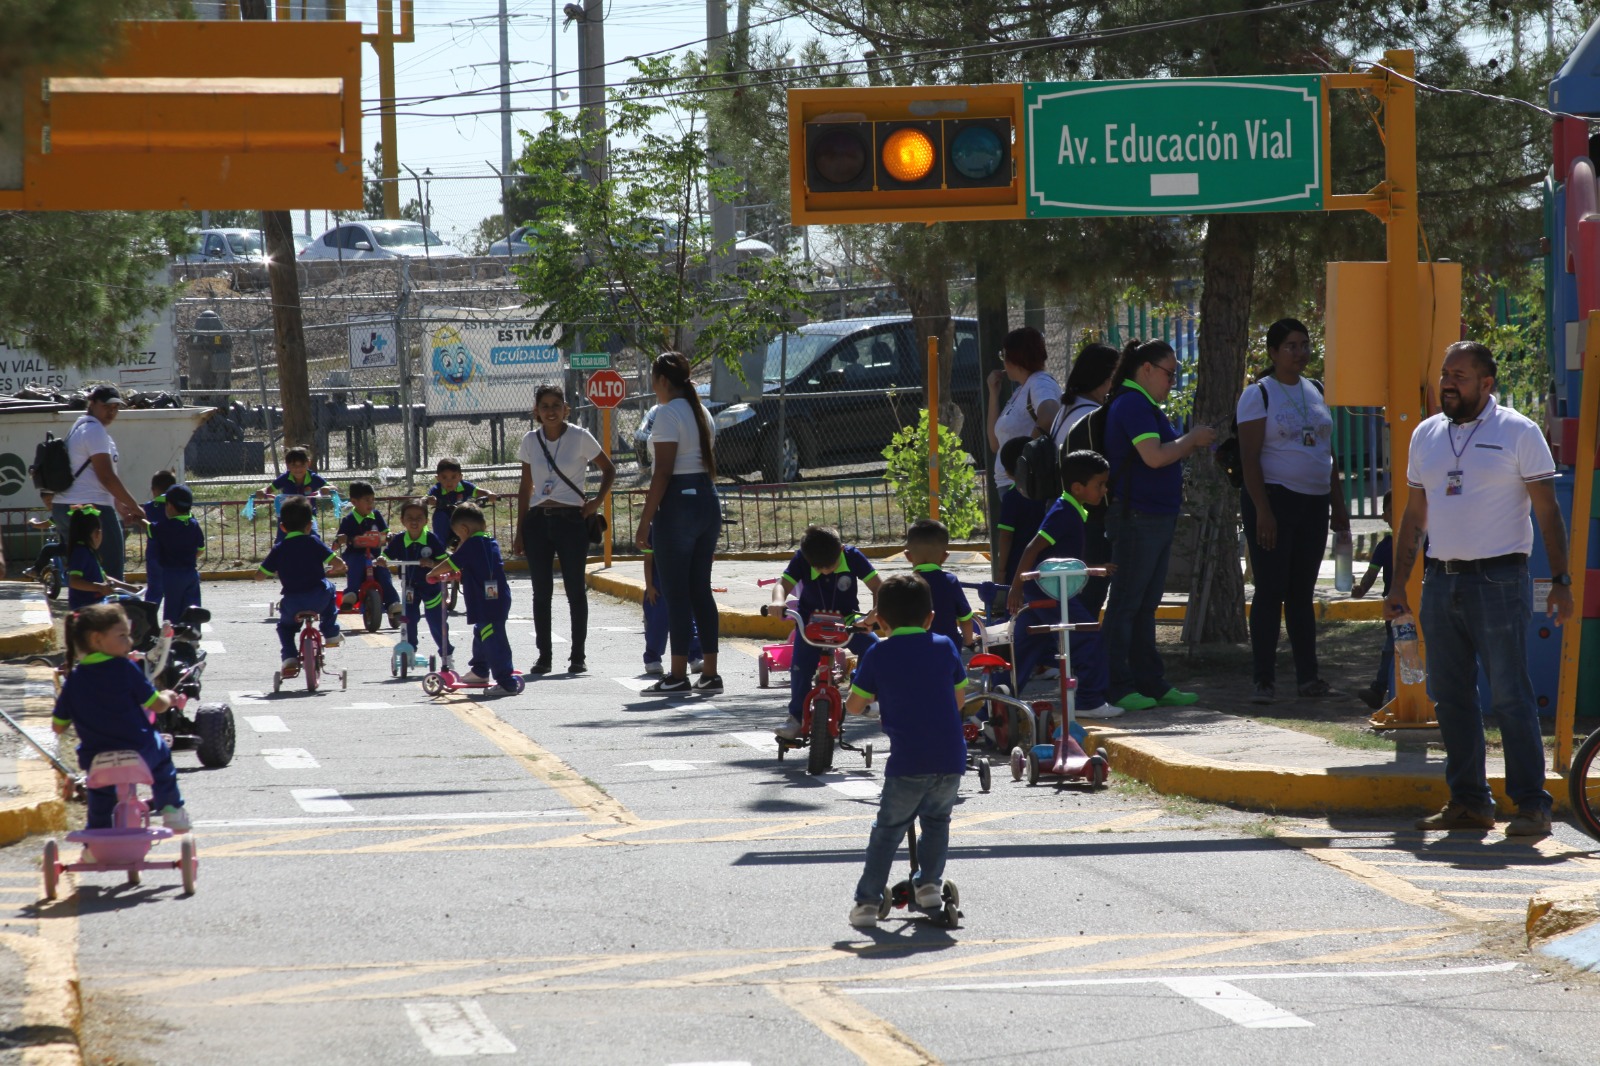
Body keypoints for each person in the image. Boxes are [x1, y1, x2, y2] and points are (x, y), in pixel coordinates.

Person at [1386, 341, 1572, 837]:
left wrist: (1561, 581)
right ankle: (1469, 801)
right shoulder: (1425, 435)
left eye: (1460, 375)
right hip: (1440, 579)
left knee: (1510, 695)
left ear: (1487, 384)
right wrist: (1398, 582)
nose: (1448, 382)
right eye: (1445, 372)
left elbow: (1548, 513)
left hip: (1500, 579)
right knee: (1450, 696)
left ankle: (1532, 804)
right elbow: (1415, 514)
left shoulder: (1518, 432)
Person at [1237, 319, 1352, 703]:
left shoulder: (1316, 390)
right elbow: (1249, 458)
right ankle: (1262, 680)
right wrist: (1263, 511)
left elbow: (1326, 454)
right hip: (1274, 500)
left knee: (1302, 592)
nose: (1300, 353)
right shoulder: (1259, 394)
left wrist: (1338, 507)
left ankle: (1308, 677)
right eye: (1290, 346)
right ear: (1272, 352)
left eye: (1304, 345)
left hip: (1314, 502)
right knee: (1270, 590)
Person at [843, 573, 968, 928]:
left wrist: (873, 702)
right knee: (936, 821)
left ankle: (867, 903)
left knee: (887, 831)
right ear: (930, 617)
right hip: (950, 757)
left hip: (908, 761)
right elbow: (959, 698)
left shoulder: (878, 653)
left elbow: (854, 706)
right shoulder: (945, 646)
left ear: (880, 621)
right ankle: (929, 885)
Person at [1100, 339, 1216, 712]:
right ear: (1146, 369)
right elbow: (1154, 457)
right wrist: (1193, 439)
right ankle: (1116, 686)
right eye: (1169, 373)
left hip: (1154, 516)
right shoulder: (1133, 403)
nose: (1172, 381)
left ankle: (1150, 682)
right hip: (1138, 517)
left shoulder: (1143, 404)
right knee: (1126, 605)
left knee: (1145, 605)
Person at [51, 601, 191, 832]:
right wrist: (168, 697)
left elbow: (58, 726)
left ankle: (95, 840)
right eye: (123, 635)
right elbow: (156, 705)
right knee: (163, 759)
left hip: (96, 757)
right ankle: (171, 810)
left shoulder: (74, 679)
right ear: (97, 639)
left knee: (100, 796)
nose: (130, 641)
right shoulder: (126, 669)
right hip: (139, 749)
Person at [633, 353, 722, 694]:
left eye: (654, 380)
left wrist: (645, 523)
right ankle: (710, 673)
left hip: (678, 504)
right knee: (700, 589)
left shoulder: (669, 413)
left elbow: (663, 472)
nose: (653, 387)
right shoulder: (701, 411)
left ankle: (677, 674)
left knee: (676, 593)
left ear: (664, 381)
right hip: (706, 498)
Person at [511, 386, 614, 675]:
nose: (551, 410)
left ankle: (577, 657)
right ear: (536, 411)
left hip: (571, 520)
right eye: (544, 406)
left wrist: (596, 502)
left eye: (556, 405)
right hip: (537, 522)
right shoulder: (531, 440)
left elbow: (609, 469)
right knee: (540, 592)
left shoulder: (580, 437)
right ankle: (544, 657)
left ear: (566, 408)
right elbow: (525, 486)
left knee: (574, 590)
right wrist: (520, 530)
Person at [1006, 450, 1113, 717]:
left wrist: (1091, 569)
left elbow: (1056, 559)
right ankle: (1089, 701)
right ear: (1078, 488)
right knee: (1087, 636)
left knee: (1026, 650)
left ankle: (993, 704)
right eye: (1099, 484)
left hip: (1042, 588)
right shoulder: (1064, 512)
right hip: (1048, 590)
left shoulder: (1070, 509)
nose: (1104, 489)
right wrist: (1016, 587)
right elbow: (1032, 549)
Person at [775, 525, 882, 739]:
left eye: (830, 566)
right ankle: (796, 717)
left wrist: (874, 615)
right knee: (799, 668)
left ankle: (862, 692)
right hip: (809, 622)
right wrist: (777, 601)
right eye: (819, 567)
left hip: (848, 619)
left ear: (841, 549)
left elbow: (878, 587)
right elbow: (782, 584)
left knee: (875, 649)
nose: (825, 570)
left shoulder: (852, 556)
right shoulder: (802, 558)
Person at [53, 384, 145, 581]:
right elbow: (106, 477)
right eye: (107, 407)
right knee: (111, 572)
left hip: (65, 507)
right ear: (92, 403)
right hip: (92, 510)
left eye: (115, 408)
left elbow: (94, 476)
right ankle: (110, 611)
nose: (111, 412)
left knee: (82, 574)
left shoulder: (79, 427)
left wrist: (119, 505)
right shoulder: (95, 431)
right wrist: (134, 505)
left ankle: (84, 610)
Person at [1055, 343, 1122, 615]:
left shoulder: (1068, 408)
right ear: (1106, 378)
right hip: (1088, 516)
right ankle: (1081, 652)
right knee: (1088, 596)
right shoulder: (1088, 416)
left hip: (1072, 508)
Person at [428, 502, 518, 692]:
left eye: (459, 536)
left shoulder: (473, 543)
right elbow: (481, 567)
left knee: (494, 640)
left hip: (488, 602)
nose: (459, 540)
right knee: (481, 633)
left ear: (464, 529)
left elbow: (452, 562)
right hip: (493, 599)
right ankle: (480, 671)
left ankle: (506, 681)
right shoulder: (488, 540)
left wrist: (432, 573)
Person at [255, 495, 347, 677]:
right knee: (331, 590)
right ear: (308, 526)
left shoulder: (279, 549)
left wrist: (269, 571)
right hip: (318, 598)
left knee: (285, 628)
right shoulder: (313, 541)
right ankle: (330, 632)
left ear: (282, 527)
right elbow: (336, 562)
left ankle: (289, 657)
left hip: (292, 602)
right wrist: (341, 567)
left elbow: (259, 576)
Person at [380, 500, 453, 667]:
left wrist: (431, 564)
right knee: (408, 620)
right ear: (402, 520)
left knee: (437, 622)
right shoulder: (399, 540)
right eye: (409, 517)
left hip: (431, 588)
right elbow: (387, 556)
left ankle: (446, 654)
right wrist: (382, 560)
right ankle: (409, 648)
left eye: (419, 517)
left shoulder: (431, 539)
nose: (414, 521)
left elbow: (444, 562)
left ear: (426, 520)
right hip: (410, 588)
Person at [987, 326, 1061, 491]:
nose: (1003, 361)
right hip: (1010, 485)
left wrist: (1022, 459)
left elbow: (1049, 417)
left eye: (1003, 355)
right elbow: (994, 444)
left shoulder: (1040, 383)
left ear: (1015, 358)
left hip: (1026, 485)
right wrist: (993, 394)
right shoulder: (1022, 389)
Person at [335, 481, 401, 628]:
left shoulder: (376, 516)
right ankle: (351, 594)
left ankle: (393, 603)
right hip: (355, 554)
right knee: (356, 566)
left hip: (374, 556)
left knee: (383, 573)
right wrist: (341, 539)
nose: (370, 503)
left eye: (372, 500)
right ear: (354, 502)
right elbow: (340, 537)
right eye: (366, 500)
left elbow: (385, 531)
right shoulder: (349, 520)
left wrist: (389, 535)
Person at [1351, 492, 1395, 711]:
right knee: (1391, 648)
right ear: (1385, 516)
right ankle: (1379, 691)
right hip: (1395, 609)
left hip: (1424, 605)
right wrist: (1361, 588)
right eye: (1391, 511)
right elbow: (1372, 573)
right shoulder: (1385, 546)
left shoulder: (1427, 542)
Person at [904, 518, 975, 649]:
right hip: (947, 650)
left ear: (908, 556)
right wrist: (969, 641)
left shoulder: (903, 584)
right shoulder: (950, 581)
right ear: (945, 556)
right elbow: (965, 618)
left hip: (914, 650)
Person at [643, 522, 702, 675]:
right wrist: (649, 586)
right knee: (658, 622)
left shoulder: (687, 526)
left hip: (683, 582)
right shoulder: (653, 529)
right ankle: (652, 658)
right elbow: (648, 559)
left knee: (688, 621)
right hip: (658, 585)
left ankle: (695, 656)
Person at [148, 484, 205, 624]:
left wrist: (138, 519)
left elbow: (150, 528)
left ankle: (172, 637)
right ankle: (192, 636)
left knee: (172, 609)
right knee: (193, 607)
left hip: (172, 573)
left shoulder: (165, 526)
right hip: (191, 572)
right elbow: (200, 549)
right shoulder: (193, 524)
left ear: (170, 507)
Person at [995, 438, 1047, 588]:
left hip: (1018, 568)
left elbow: (1006, 536)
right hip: (1048, 564)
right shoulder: (1051, 493)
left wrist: (1001, 571)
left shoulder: (1011, 498)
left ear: (1008, 472)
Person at [65, 507, 140, 610]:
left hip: (97, 602)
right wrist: (99, 587)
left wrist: (131, 588)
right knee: (134, 605)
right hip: (86, 606)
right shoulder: (80, 552)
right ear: (97, 533)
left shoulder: (88, 552)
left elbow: (106, 578)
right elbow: (74, 582)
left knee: (133, 601)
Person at [257, 446, 330, 544]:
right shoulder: (285, 478)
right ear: (288, 465)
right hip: (287, 515)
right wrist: (262, 491)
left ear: (308, 463)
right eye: (294, 465)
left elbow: (333, 488)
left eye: (302, 465)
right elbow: (269, 489)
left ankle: (315, 556)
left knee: (313, 538)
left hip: (307, 515)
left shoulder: (314, 478)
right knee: (282, 541)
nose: (298, 469)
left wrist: (327, 489)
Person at [429, 458, 496, 550]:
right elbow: (426, 498)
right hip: (445, 518)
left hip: (461, 517)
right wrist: (429, 500)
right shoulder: (436, 489)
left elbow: (479, 491)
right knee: (440, 517)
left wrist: (489, 494)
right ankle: (440, 551)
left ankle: (482, 547)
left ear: (460, 477)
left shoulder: (465, 486)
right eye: (444, 477)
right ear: (438, 478)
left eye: (453, 477)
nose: (449, 481)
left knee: (475, 518)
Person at [141, 470, 177, 608]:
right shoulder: (177, 507)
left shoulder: (149, 508)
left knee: (154, 592)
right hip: (174, 556)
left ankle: (148, 622)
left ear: (153, 490)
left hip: (155, 555)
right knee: (174, 592)